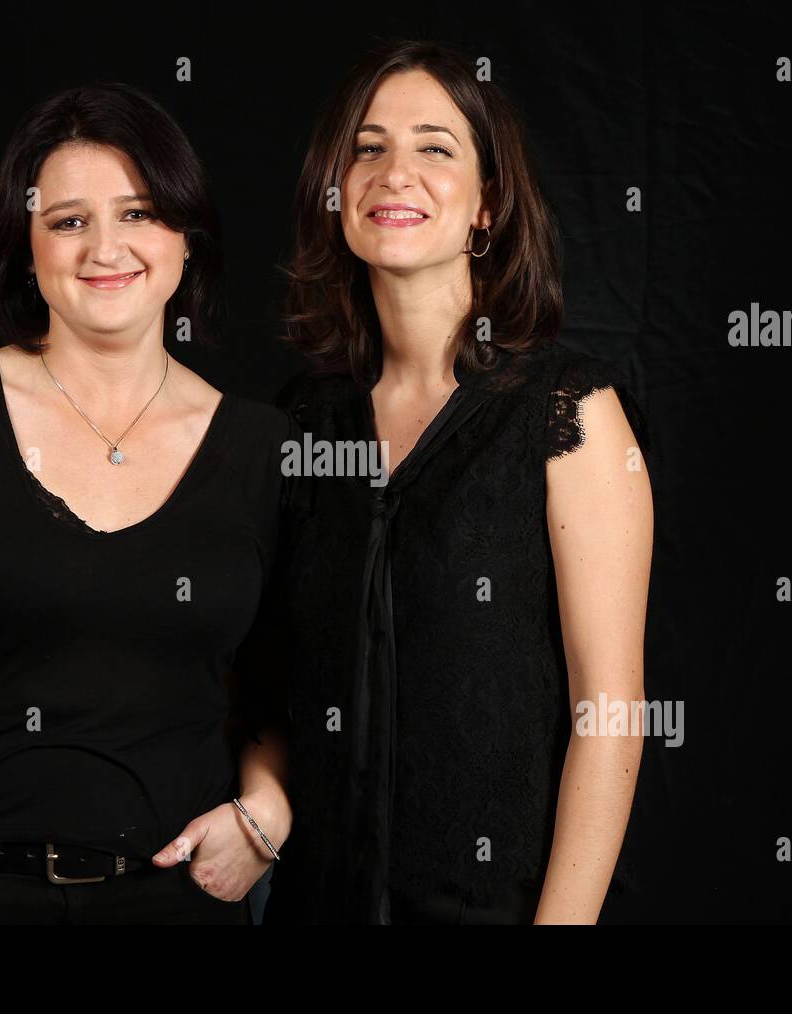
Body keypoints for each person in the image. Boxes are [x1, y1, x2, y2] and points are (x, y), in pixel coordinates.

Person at [0, 82, 291, 925]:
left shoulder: (264, 449)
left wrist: (268, 812)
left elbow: (282, 688)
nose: (106, 247)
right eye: (68, 220)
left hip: (177, 903)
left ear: (186, 236)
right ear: (25, 248)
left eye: (139, 213)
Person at [260, 41, 655, 924]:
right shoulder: (297, 422)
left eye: (436, 147)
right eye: (367, 147)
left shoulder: (568, 412)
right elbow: (266, 677)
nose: (394, 171)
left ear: (487, 208)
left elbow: (611, 711)